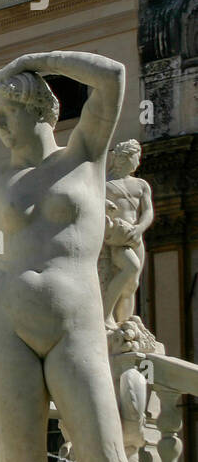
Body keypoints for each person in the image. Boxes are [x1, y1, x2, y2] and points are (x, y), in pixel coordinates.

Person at [0, 52, 149, 462]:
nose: (2, 127)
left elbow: (113, 77)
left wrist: (35, 61)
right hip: (4, 325)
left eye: (10, 113)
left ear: (42, 110)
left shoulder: (85, 156)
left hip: (75, 327)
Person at [101, 139, 153, 327]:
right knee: (130, 267)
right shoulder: (104, 183)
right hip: (116, 237)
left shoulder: (141, 185)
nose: (138, 162)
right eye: (135, 158)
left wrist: (139, 228)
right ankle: (106, 316)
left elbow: (148, 212)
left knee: (133, 284)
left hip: (135, 236)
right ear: (124, 159)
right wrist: (104, 204)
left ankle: (124, 323)